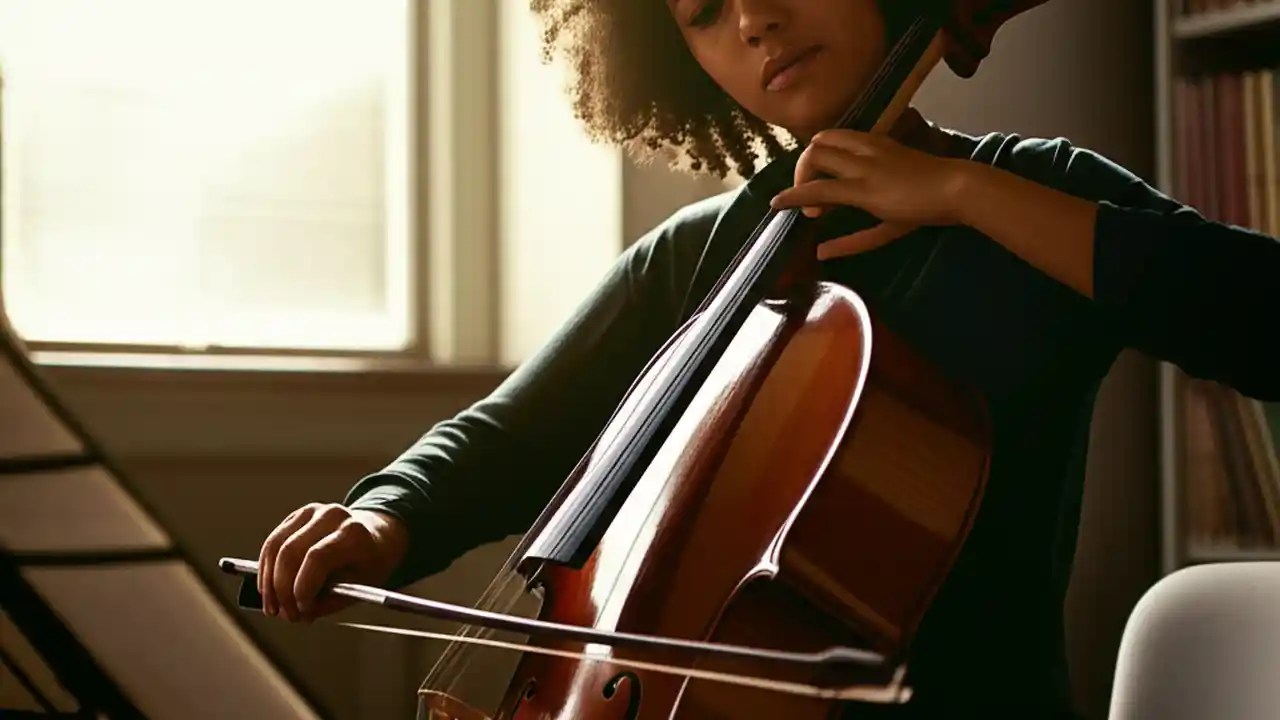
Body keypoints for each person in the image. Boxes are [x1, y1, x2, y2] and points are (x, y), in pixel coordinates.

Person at [253, 0, 1280, 716]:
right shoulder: (700, 256)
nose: (751, 18)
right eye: (700, 11)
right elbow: (506, 440)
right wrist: (382, 515)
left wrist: (962, 195)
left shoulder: (1033, 198)